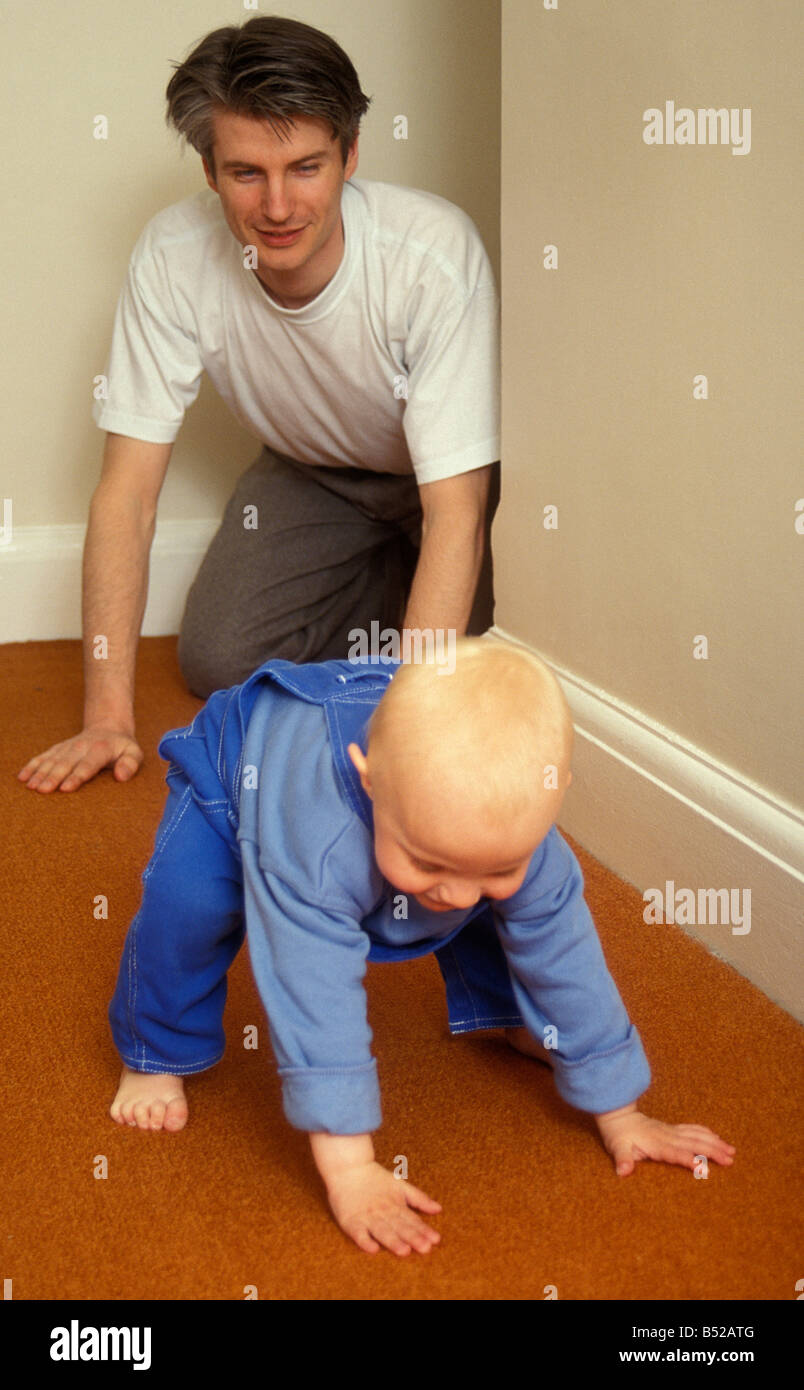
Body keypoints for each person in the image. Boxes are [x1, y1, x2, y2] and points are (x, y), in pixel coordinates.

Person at [107, 638, 735, 1257]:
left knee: (497, 905)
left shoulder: (523, 843)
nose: (459, 894)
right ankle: (156, 1047)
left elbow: (567, 958)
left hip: (386, 756)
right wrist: (352, 1169)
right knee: (186, 904)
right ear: (370, 781)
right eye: (429, 860)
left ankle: (515, 1020)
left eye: (498, 867)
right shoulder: (318, 841)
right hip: (232, 773)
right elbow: (311, 990)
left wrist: (622, 1112)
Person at [20, 15, 500, 795]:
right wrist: (106, 714)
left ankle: (413, 604)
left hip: (449, 481)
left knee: (478, 666)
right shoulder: (173, 257)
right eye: (247, 173)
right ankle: (385, 581)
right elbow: (128, 493)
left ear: (350, 155)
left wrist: (408, 731)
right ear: (209, 171)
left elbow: (457, 511)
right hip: (313, 474)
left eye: (305, 167)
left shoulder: (432, 256)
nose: (278, 205)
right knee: (219, 658)